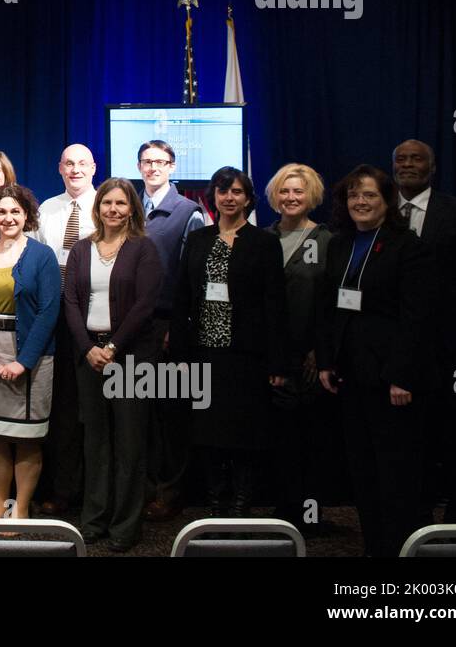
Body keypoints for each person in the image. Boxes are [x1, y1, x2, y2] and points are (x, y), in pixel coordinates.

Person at [318, 164, 434, 557]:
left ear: (387, 202)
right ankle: (374, 545)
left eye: (369, 195)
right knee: (362, 469)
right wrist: (326, 362)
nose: (360, 202)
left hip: (391, 379)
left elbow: (416, 317)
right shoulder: (339, 243)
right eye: (353, 195)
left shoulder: (408, 245)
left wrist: (402, 375)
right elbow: (330, 308)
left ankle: (401, 547)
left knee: (395, 470)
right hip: (349, 374)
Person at [170, 167, 287, 519]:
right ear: (213, 197)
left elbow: (275, 305)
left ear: (248, 199)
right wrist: (178, 353)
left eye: (237, 192)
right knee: (207, 434)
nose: (229, 198)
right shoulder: (199, 239)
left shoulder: (265, 243)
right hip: (204, 353)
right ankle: (216, 503)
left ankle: (241, 505)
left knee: (244, 434)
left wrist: (278, 362)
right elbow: (183, 298)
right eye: (223, 191)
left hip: (246, 356)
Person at [393, 139, 456, 524]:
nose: (407, 165)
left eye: (416, 159)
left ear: (432, 168)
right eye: (401, 159)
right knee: (411, 440)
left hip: (455, 354)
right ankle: (414, 518)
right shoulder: (381, 213)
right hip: (401, 353)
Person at [65, 178, 163, 551]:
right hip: (88, 356)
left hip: (131, 357)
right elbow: (72, 302)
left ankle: (125, 524)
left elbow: (145, 305)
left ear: (132, 209)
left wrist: (114, 346)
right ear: (98, 207)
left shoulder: (144, 248)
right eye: (108, 203)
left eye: (122, 203)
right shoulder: (81, 249)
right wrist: (89, 347)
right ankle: (94, 518)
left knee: (129, 442)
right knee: (96, 441)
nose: (114, 210)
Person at [0, 184, 60, 524]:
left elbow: (49, 312)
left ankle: (20, 509)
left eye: (14, 212)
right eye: (1, 212)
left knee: (27, 436)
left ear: (26, 215)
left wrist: (24, 362)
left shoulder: (42, 255)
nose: (8, 218)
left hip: (31, 356)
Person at [138, 140, 206, 522]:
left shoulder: (189, 212)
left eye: (160, 162)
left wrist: (177, 327)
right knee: (141, 411)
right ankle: (145, 488)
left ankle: (170, 492)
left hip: (170, 326)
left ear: (172, 166)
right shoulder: (129, 206)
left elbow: (193, 276)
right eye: (147, 162)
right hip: (135, 326)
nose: (153, 168)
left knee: (171, 413)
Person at [264, 163, 334, 529]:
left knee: (312, 442)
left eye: (298, 192)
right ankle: (283, 514)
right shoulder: (263, 238)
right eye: (285, 191)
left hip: (310, 359)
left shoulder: (327, 240)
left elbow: (331, 302)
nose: (291, 198)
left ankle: (310, 516)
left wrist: (319, 352)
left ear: (311, 197)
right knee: (281, 441)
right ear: (275, 196)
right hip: (271, 358)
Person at [36, 143, 99, 516]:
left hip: (95, 321)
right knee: (60, 408)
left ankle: (93, 491)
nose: (75, 169)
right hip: (54, 318)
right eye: (68, 163)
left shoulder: (107, 205)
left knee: (91, 407)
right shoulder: (47, 208)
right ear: (60, 168)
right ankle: (62, 489)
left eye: (82, 163)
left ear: (94, 167)